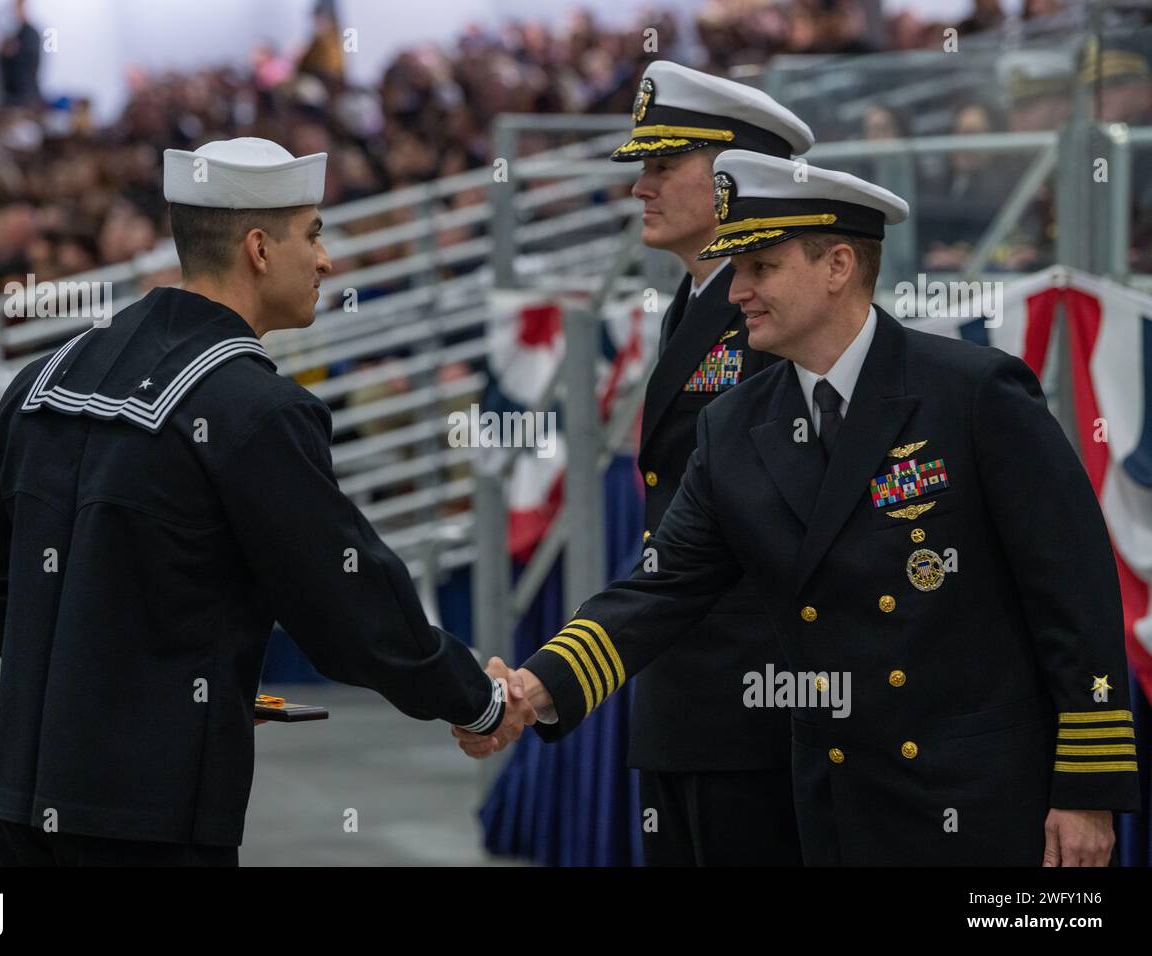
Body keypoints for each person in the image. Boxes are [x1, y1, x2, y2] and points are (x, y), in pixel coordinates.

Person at [458, 151, 1141, 866]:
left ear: (838, 265)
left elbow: (1074, 596)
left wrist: (1087, 787)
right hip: (837, 805)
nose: (737, 293)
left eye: (761, 268)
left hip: (980, 801)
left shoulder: (973, 395)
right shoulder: (735, 427)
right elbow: (660, 590)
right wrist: (531, 690)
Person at [0, 137, 532, 867]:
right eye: (314, 234)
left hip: (16, 801)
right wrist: (475, 698)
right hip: (151, 817)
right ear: (259, 248)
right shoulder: (255, 408)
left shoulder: (43, 378)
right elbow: (349, 605)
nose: (327, 261)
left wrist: (101, 684)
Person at [605, 60, 814, 866]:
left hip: (751, 703)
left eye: (664, 167)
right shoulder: (694, 305)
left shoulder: (773, 313)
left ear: (732, 178)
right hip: (688, 694)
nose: (641, 188)